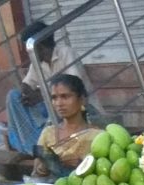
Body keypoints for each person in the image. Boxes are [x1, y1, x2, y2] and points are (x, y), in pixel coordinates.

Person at [7, 21, 89, 155]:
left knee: (53, 106)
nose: (28, 53)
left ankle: (38, 146)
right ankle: (37, 144)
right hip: (50, 109)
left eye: (28, 49)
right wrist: (25, 94)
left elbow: (72, 89)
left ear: (39, 46)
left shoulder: (66, 53)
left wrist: (40, 97)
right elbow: (27, 83)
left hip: (75, 107)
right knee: (13, 96)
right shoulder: (37, 61)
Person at [31, 75, 102, 180]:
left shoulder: (97, 136)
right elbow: (36, 173)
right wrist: (44, 167)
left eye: (65, 97)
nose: (59, 103)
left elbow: (104, 174)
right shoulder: (48, 133)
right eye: (54, 98)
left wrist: (83, 166)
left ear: (81, 99)